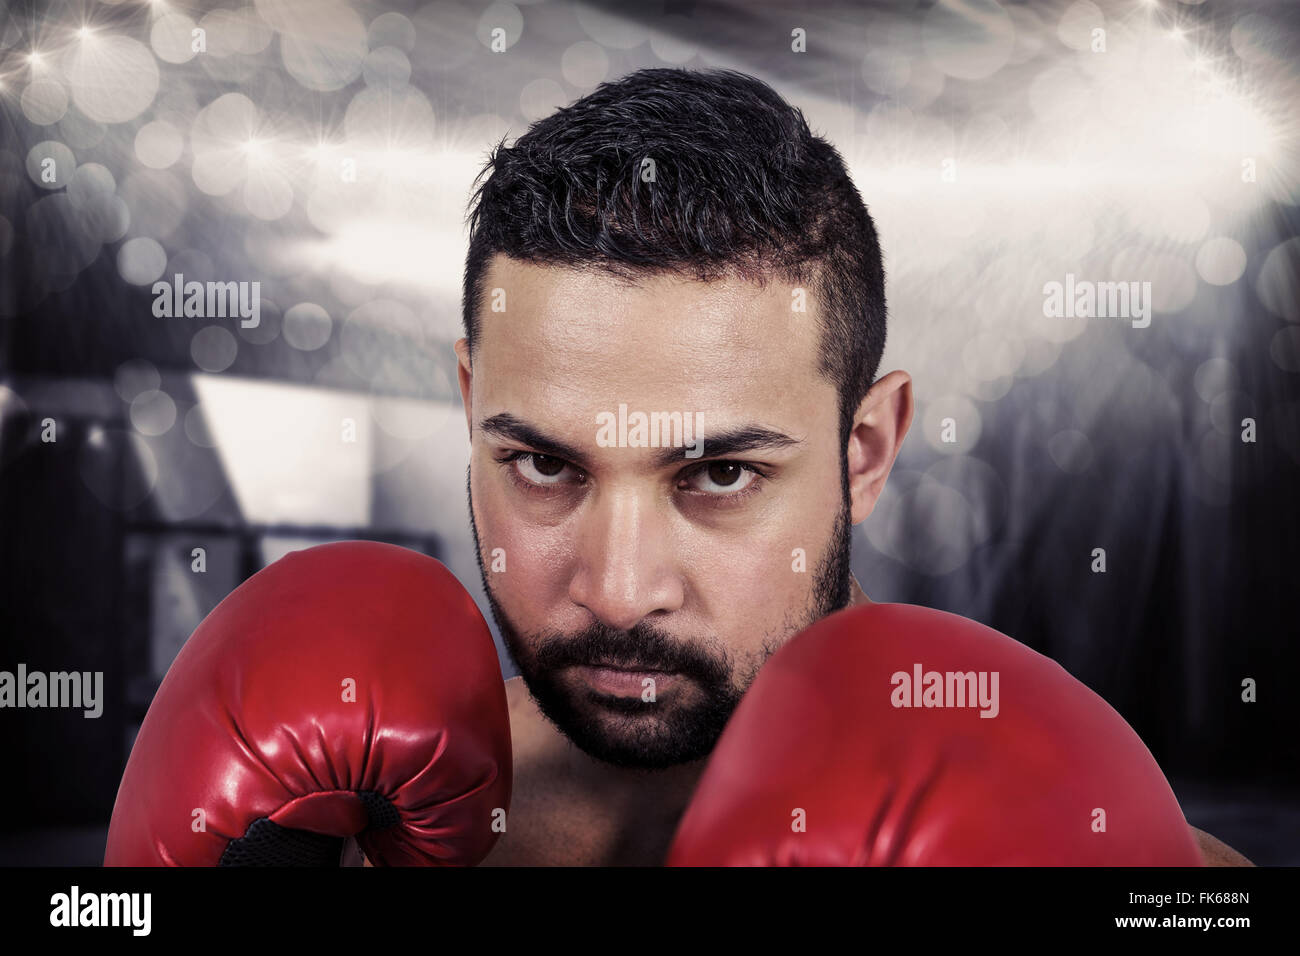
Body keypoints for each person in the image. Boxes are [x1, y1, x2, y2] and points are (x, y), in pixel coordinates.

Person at [445, 68, 1248, 866]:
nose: (618, 594)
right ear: (471, 407)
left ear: (864, 453)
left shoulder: (1121, 857)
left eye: (720, 474)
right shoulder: (368, 827)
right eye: (544, 464)